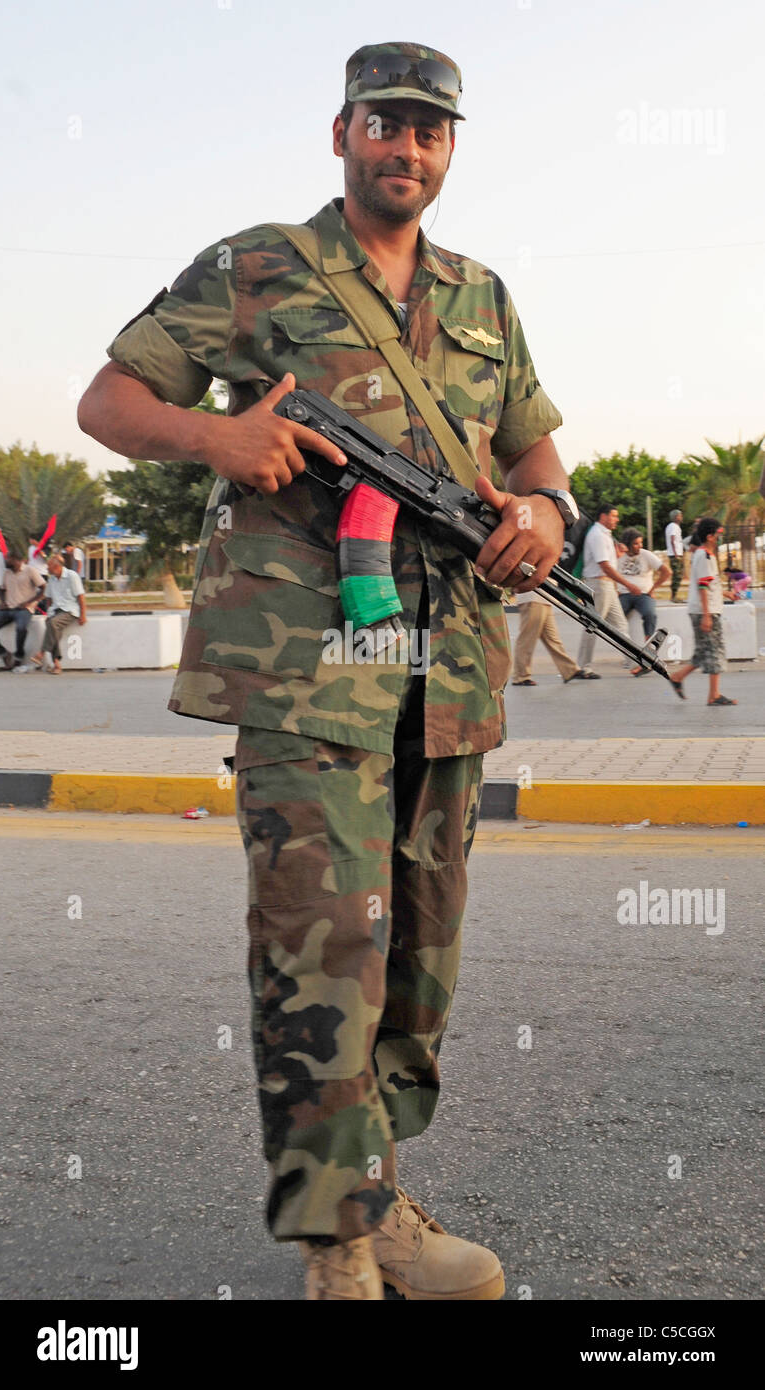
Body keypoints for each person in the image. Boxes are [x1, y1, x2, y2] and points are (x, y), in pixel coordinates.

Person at [77, 40, 574, 1302]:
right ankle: (333, 1243)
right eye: (385, 123)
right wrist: (221, 436)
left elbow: (539, 459)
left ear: (450, 149)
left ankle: (384, 1195)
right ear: (341, 132)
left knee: (419, 952)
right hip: (306, 670)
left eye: (430, 130)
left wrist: (544, 521)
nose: (406, 147)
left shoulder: (482, 295)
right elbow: (110, 401)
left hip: (445, 673)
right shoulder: (258, 268)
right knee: (322, 953)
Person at [669, 518, 738, 705]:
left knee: (703, 652)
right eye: (719, 534)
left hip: (704, 609)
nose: (720, 537)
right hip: (705, 611)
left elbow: (708, 584)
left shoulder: (704, 555)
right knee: (715, 651)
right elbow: (702, 587)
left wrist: (725, 593)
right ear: (710, 536)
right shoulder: (705, 556)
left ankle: (677, 677)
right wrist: (707, 616)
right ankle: (714, 695)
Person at [576, 504, 640, 675]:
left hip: (607, 586)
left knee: (620, 625)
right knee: (592, 626)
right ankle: (583, 667)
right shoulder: (597, 535)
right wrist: (628, 584)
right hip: (598, 586)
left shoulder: (605, 535)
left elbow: (609, 562)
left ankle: (634, 663)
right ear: (603, 516)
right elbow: (604, 565)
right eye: (613, 516)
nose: (616, 520)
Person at [615, 528, 670, 674]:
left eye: (640, 543)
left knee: (650, 614)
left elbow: (667, 572)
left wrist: (653, 589)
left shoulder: (646, 555)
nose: (639, 546)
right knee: (615, 619)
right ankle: (629, 657)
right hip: (624, 595)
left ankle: (648, 654)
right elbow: (610, 574)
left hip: (644, 594)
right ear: (627, 544)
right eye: (635, 543)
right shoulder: (619, 557)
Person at [511, 590, 591, 684]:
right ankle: (520, 676)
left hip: (545, 598)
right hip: (532, 598)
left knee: (553, 640)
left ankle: (569, 670)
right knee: (527, 640)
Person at [0, 550, 45, 671]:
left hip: (24, 610)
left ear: (16, 560)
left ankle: (18, 656)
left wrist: (30, 602)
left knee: (21, 628)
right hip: (8, 609)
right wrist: (2, 602)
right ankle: (4, 654)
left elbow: (44, 588)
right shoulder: (7, 572)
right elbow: (2, 589)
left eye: (8, 559)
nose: (5, 561)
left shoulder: (30, 570)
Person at [30, 552, 87, 673]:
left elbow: (81, 596)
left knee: (52, 624)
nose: (47, 568)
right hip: (55, 610)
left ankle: (41, 653)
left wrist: (83, 615)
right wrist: (49, 612)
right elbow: (49, 598)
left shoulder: (72, 576)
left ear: (56, 566)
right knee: (53, 628)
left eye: (49, 566)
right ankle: (57, 665)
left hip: (70, 610)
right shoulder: (52, 580)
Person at [665, 507, 684, 599]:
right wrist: (676, 553)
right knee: (677, 575)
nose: (681, 517)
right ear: (676, 517)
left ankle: (674, 595)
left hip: (676, 553)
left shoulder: (674, 526)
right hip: (675, 554)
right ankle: (674, 596)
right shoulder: (673, 526)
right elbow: (673, 540)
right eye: (680, 515)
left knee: (678, 575)